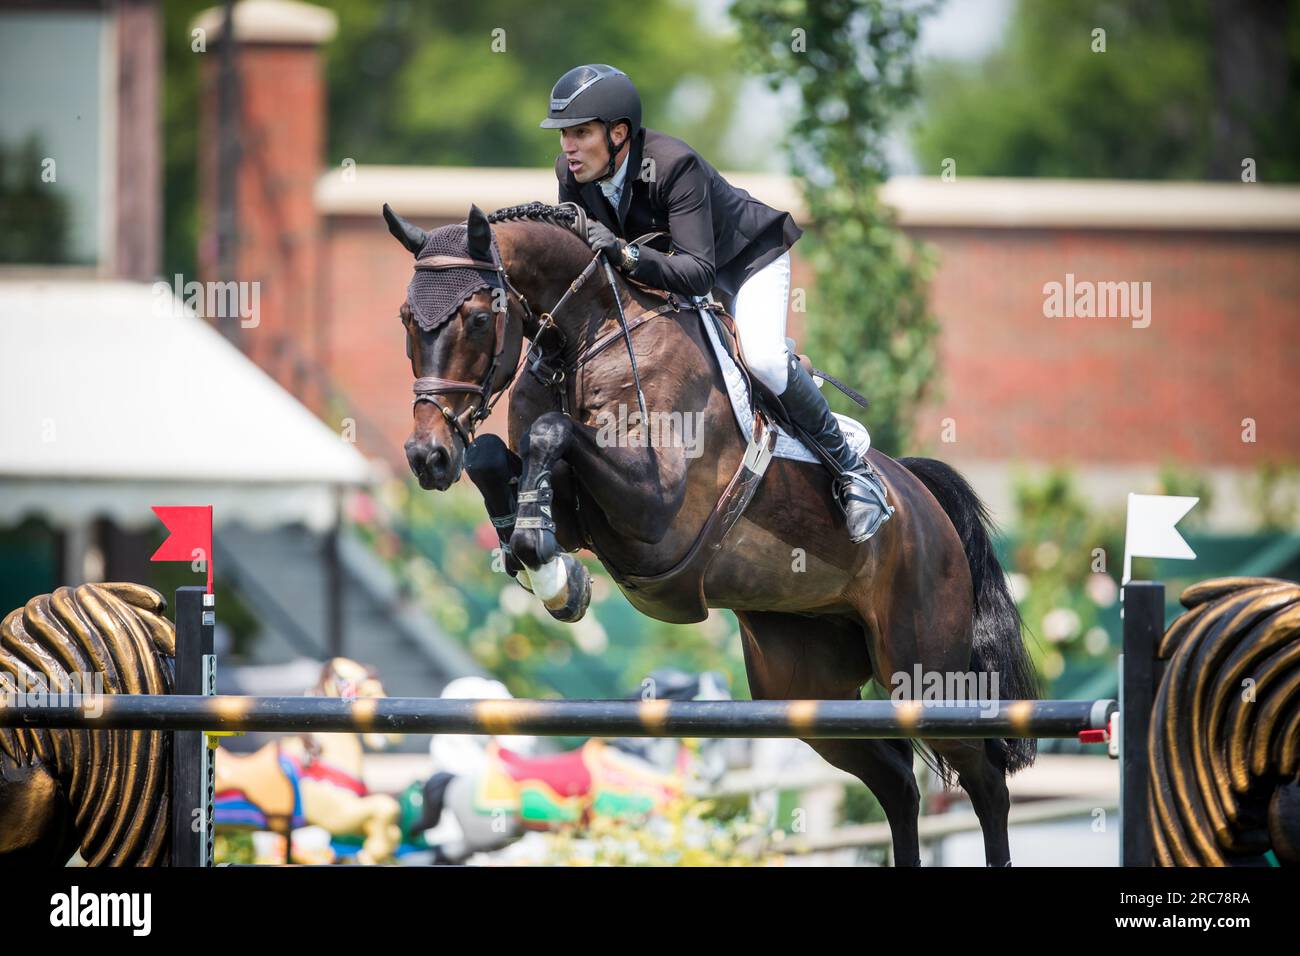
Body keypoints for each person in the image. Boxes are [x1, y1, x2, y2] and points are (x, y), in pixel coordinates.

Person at [541, 64, 892, 543]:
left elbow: (698, 272)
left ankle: (855, 475)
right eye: (565, 135)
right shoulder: (572, 174)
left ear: (618, 133)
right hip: (671, 277)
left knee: (764, 360)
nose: (568, 147)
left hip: (746, 264)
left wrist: (624, 251)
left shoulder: (672, 165)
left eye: (580, 133)